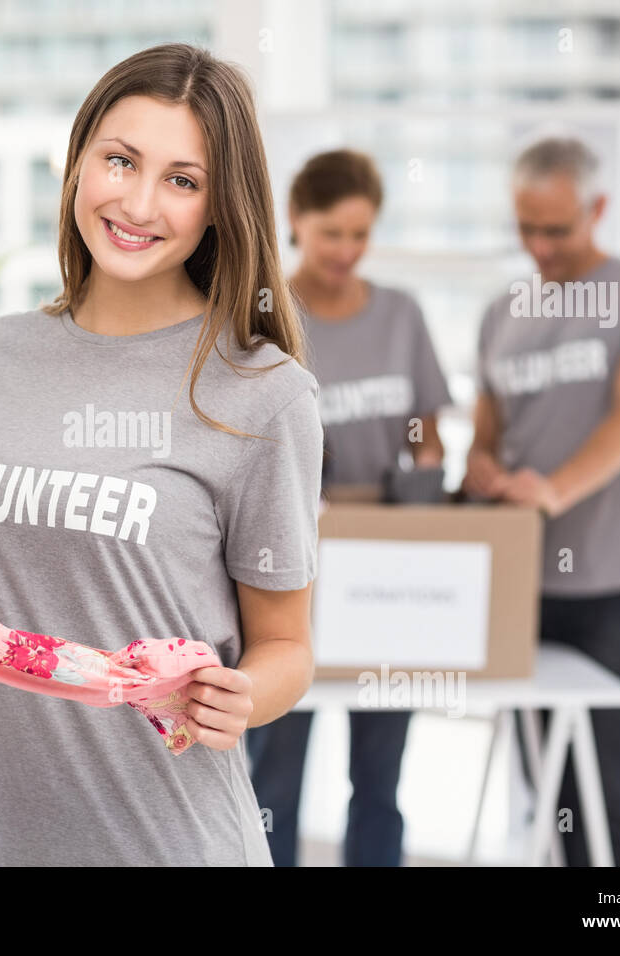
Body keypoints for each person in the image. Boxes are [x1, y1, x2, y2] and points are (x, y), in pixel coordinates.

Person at [0, 42, 324, 865]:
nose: (140, 201)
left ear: (218, 206)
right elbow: (13, 618)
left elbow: (289, 647)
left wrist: (244, 698)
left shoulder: (263, 393)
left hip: (175, 842)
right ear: (79, 161)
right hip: (0, 842)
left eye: (183, 180)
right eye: (119, 160)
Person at [462, 135, 620, 866]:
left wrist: (553, 491)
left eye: (556, 229)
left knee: (607, 788)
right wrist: (485, 466)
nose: (539, 246)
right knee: (544, 786)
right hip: (522, 583)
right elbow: (487, 429)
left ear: (599, 209)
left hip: (609, 583)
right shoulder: (502, 311)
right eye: (526, 227)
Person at [245, 149, 452, 867]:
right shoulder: (263, 314)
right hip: (283, 575)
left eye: (360, 235)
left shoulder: (400, 315)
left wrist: (424, 463)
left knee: (380, 773)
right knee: (274, 770)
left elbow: (424, 424)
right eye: (331, 233)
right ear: (296, 221)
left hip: (381, 579)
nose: (346, 251)